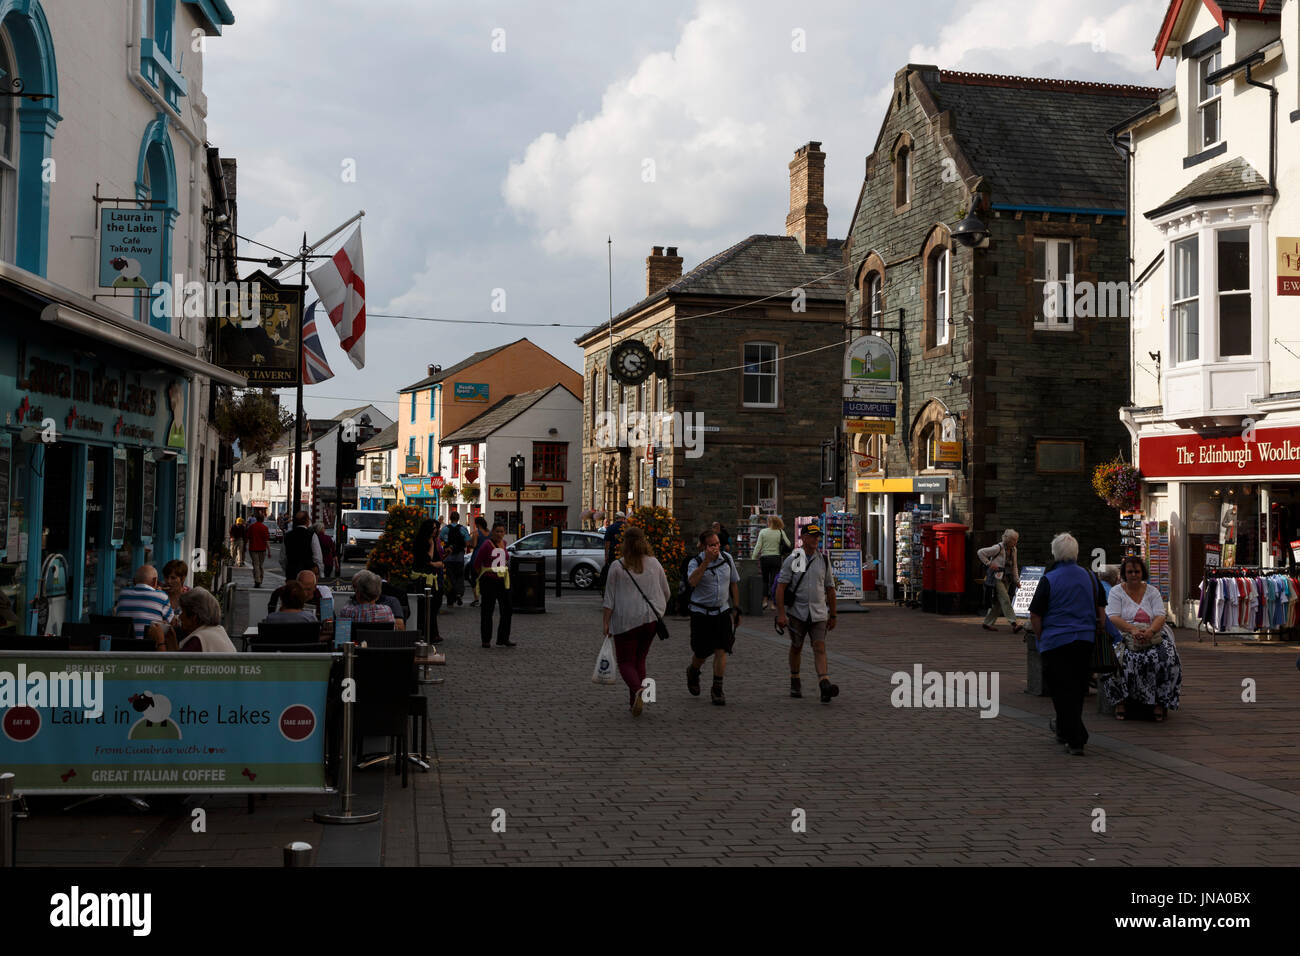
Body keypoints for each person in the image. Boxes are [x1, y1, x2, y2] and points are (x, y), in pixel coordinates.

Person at [1028, 533, 1106, 756]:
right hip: (1084, 639)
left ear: (1055, 553)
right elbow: (1101, 608)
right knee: (1077, 688)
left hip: (1056, 642)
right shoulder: (1090, 577)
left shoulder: (1049, 579)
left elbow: (1035, 614)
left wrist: (1042, 638)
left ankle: (1076, 737)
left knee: (1060, 690)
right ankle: (1066, 731)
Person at [1102, 555, 1182, 722]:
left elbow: (1160, 615)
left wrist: (1150, 632)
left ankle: (1161, 702)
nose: (1133, 575)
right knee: (1119, 659)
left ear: (1142, 572)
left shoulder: (1152, 591)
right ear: (1124, 573)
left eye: (1137, 571)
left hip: (1153, 633)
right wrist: (1132, 630)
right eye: (1130, 571)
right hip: (1124, 633)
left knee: (1168, 658)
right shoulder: (1117, 592)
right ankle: (1120, 702)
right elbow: (1113, 616)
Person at [602, 526, 670, 716]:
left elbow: (609, 598)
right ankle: (635, 701)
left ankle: (639, 691)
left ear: (625, 544)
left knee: (625, 662)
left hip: (625, 621)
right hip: (650, 620)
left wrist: (606, 622)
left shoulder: (617, 566)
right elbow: (667, 592)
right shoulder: (655, 564)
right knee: (640, 659)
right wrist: (658, 610)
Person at [774, 523, 839, 703]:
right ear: (803, 538)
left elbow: (830, 588)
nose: (816, 539)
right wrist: (781, 614)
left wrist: (833, 614)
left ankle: (824, 683)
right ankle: (795, 679)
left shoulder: (823, 560)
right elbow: (781, 587)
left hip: (818, 612)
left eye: (818, 536)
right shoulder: (794, 558)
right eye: (812, 536)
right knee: (797, 646)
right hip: (798, 612)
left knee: (820, 646)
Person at [685, 529, 741, 705]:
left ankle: (717, 688)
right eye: (711, 545)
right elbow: (692, 582)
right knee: (701, 652)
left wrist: (736, 608)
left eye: (717, 544)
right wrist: (706, 562)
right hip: (701, 613)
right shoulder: (695, 562)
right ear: (703, 546)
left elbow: (733, 583)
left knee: (721, 649)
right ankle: (693, 670)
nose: (715, 548)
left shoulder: (727, 559)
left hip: (722, 611)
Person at [473, 523, 514, 647]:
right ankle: (486, 639)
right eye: (497, 531)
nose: (499, 534)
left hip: (503, 579)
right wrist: (484, 575)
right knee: (487, 610)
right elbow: (477, 563)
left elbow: (505, 560)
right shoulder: (486, 545)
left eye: (502, 531)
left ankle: (503, 638)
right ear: (492, 532)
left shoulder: (505, 544)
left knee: (507, 610)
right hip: (489, 580)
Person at [115, 564, 177, 642]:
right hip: (149, 648)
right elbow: (172, 623)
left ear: (134, 581)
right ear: (155, 581)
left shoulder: (123, 594)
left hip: (124, 648)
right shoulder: (162, 596)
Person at [978, 529, 1022, 633]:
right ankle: (1014, 623)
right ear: (1008, 540)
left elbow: (1014, 566)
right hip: (996, 578)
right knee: (1005, 598)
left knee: (998, 602)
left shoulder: (1014, 550)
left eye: (1016, 540)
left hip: (1007, 578)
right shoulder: (998, 548)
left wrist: (1017, 580)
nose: (1016, 542)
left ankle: (987, 623)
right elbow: (980, 552)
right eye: (1014, 540)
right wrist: (989, 563)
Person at [176, 587, 237, 652]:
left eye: (183, 612)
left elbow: (177, 661)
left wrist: (163, 642)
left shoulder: (198, 640)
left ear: (194, 617)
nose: (180, 617)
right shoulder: (219, 630)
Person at [412, 518, 446, 638]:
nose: (435, 531)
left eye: (436, 529)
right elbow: (428, 559)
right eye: (434, 529)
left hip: (432, 578)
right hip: (422, 579)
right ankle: (426, 633)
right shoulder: (422, 542)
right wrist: (431, 545)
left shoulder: (433, 540)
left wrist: (433, 563)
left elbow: (439, 562)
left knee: (433, 608)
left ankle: (432, 633)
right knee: (424, 608)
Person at [751, 515, 792, 611]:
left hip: (765, 558)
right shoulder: (780, 532)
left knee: (765, 580)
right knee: (774, 581)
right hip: (776, 558)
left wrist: (753, 557)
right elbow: (789, 544)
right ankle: (774, 603)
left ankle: (764, 601)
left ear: (769, 522)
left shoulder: (763, 532)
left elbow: (758, 546)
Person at [282, 511, 323, 580]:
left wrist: (288, 569)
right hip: (307, 574)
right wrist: (320, 572)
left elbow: (282, 558)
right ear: (307, 521)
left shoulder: (288, 535)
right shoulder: (312, 535)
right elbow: (317, 557)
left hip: (292, 574)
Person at [440, 511, 470, 606]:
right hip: (460, 557)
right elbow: (467, 543)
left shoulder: (445, 529)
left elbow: (440, 540)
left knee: (449, 578)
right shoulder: (463, 529)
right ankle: (459, 593)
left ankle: (450, 599)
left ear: (450, 518)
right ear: (458, 518)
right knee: (459, 577)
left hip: (448, 558)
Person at [599, 511, 628, 593]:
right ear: (623, 518)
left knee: (614, 571)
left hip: (613, 553)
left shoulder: (610, 528)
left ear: (616, 518)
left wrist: (606, 555)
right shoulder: (627, 527)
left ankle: (614, 588)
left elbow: (607, 543)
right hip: (625, 553)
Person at [468, 515, 489, 606]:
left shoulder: (476, 533)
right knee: (485, 578)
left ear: (478, 524)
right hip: (487, 557)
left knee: (474, 578)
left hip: (477, 557)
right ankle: (486, 598)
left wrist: (471, 538)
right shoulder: (490, 533)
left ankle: (476, 599)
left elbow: (474, 545)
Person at [246, 514, 270, 588]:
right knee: (260, 565)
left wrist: (244, 546)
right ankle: (260, 579)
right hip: (262, 549)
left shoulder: (252, 527)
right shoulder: (265, 528)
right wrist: (269, 551)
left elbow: (247, 537)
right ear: (262, 520)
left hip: (253, 549)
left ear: (256, 519)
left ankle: (257, 580)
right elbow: (267, 540)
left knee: (255, 565)